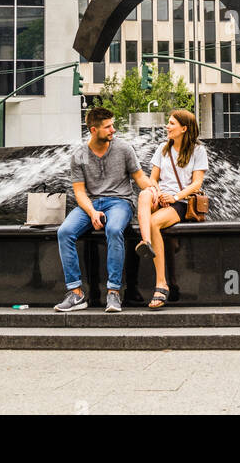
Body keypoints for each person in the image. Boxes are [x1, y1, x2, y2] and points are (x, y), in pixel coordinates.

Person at [54, 107, 153, 314]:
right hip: (91, 204)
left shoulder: (124, 148)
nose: (113, 130)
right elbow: (80, 193)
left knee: (114, 229)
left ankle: (113, 292)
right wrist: (92, 212)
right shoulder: (79, 156)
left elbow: (140, 178)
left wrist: (155, 191)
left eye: (112, 125)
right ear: (93, 129)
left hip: (120, 202)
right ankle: (76, 293)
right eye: (108, 127)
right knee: (64, 232)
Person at [134, 109, 207, 309]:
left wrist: (174, 196)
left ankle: (161, 283)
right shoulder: (163, 149)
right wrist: (157, 191)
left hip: (180, 202)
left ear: (184, 128)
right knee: (144, 194)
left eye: (172, 123)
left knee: (154, 222)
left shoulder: (197, 151)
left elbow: (196, 184)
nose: (167, 126)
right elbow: (153, 179)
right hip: (161, 198)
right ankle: (146, 241)